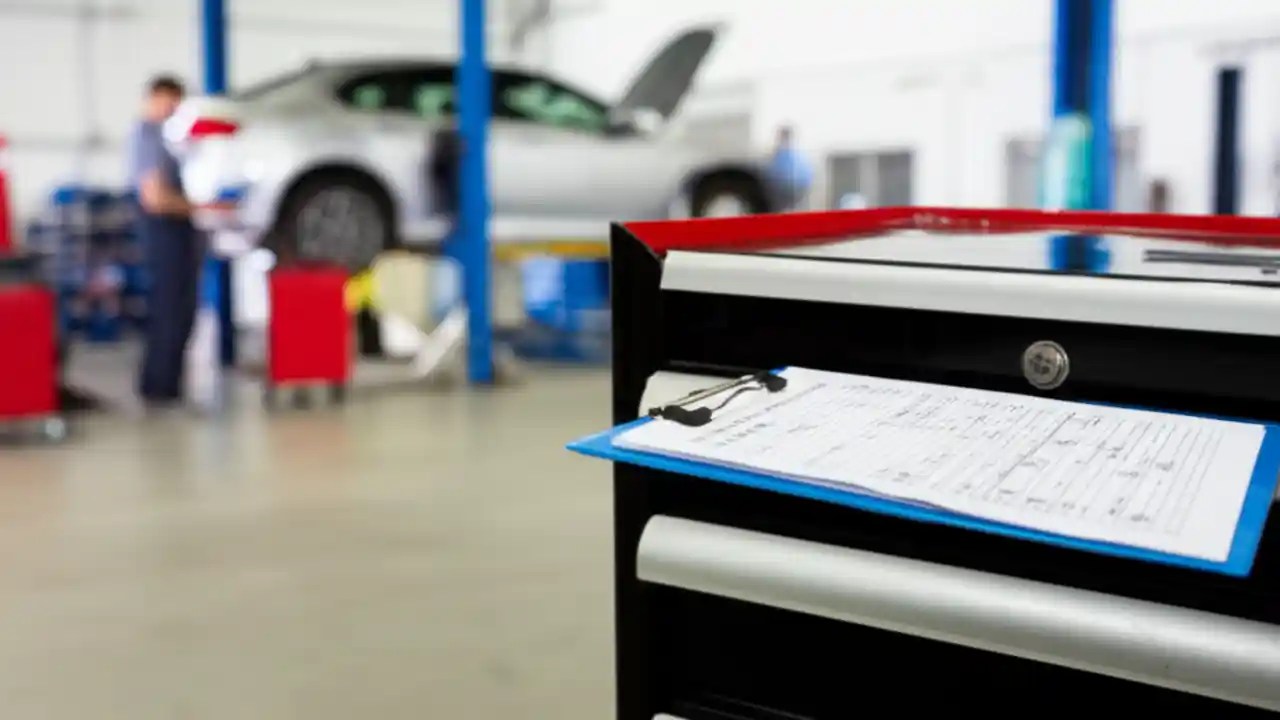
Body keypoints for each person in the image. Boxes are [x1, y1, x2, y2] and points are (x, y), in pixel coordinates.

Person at [128, 74, 199, 407]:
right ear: (153, 99)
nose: (173, 110)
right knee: (169, 310)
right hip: (163, 228)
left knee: (179, 310)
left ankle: (167, 386)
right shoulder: (149, 134)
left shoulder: (171, 137)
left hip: (177, 228)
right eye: (169, 103)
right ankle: (159, 389)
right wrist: (204, 207)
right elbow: (155, 197)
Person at [768, 125, 814, 212]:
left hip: (790, 187)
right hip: (794, 187)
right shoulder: (795, 152)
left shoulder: (787, 153)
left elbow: (774, 172)